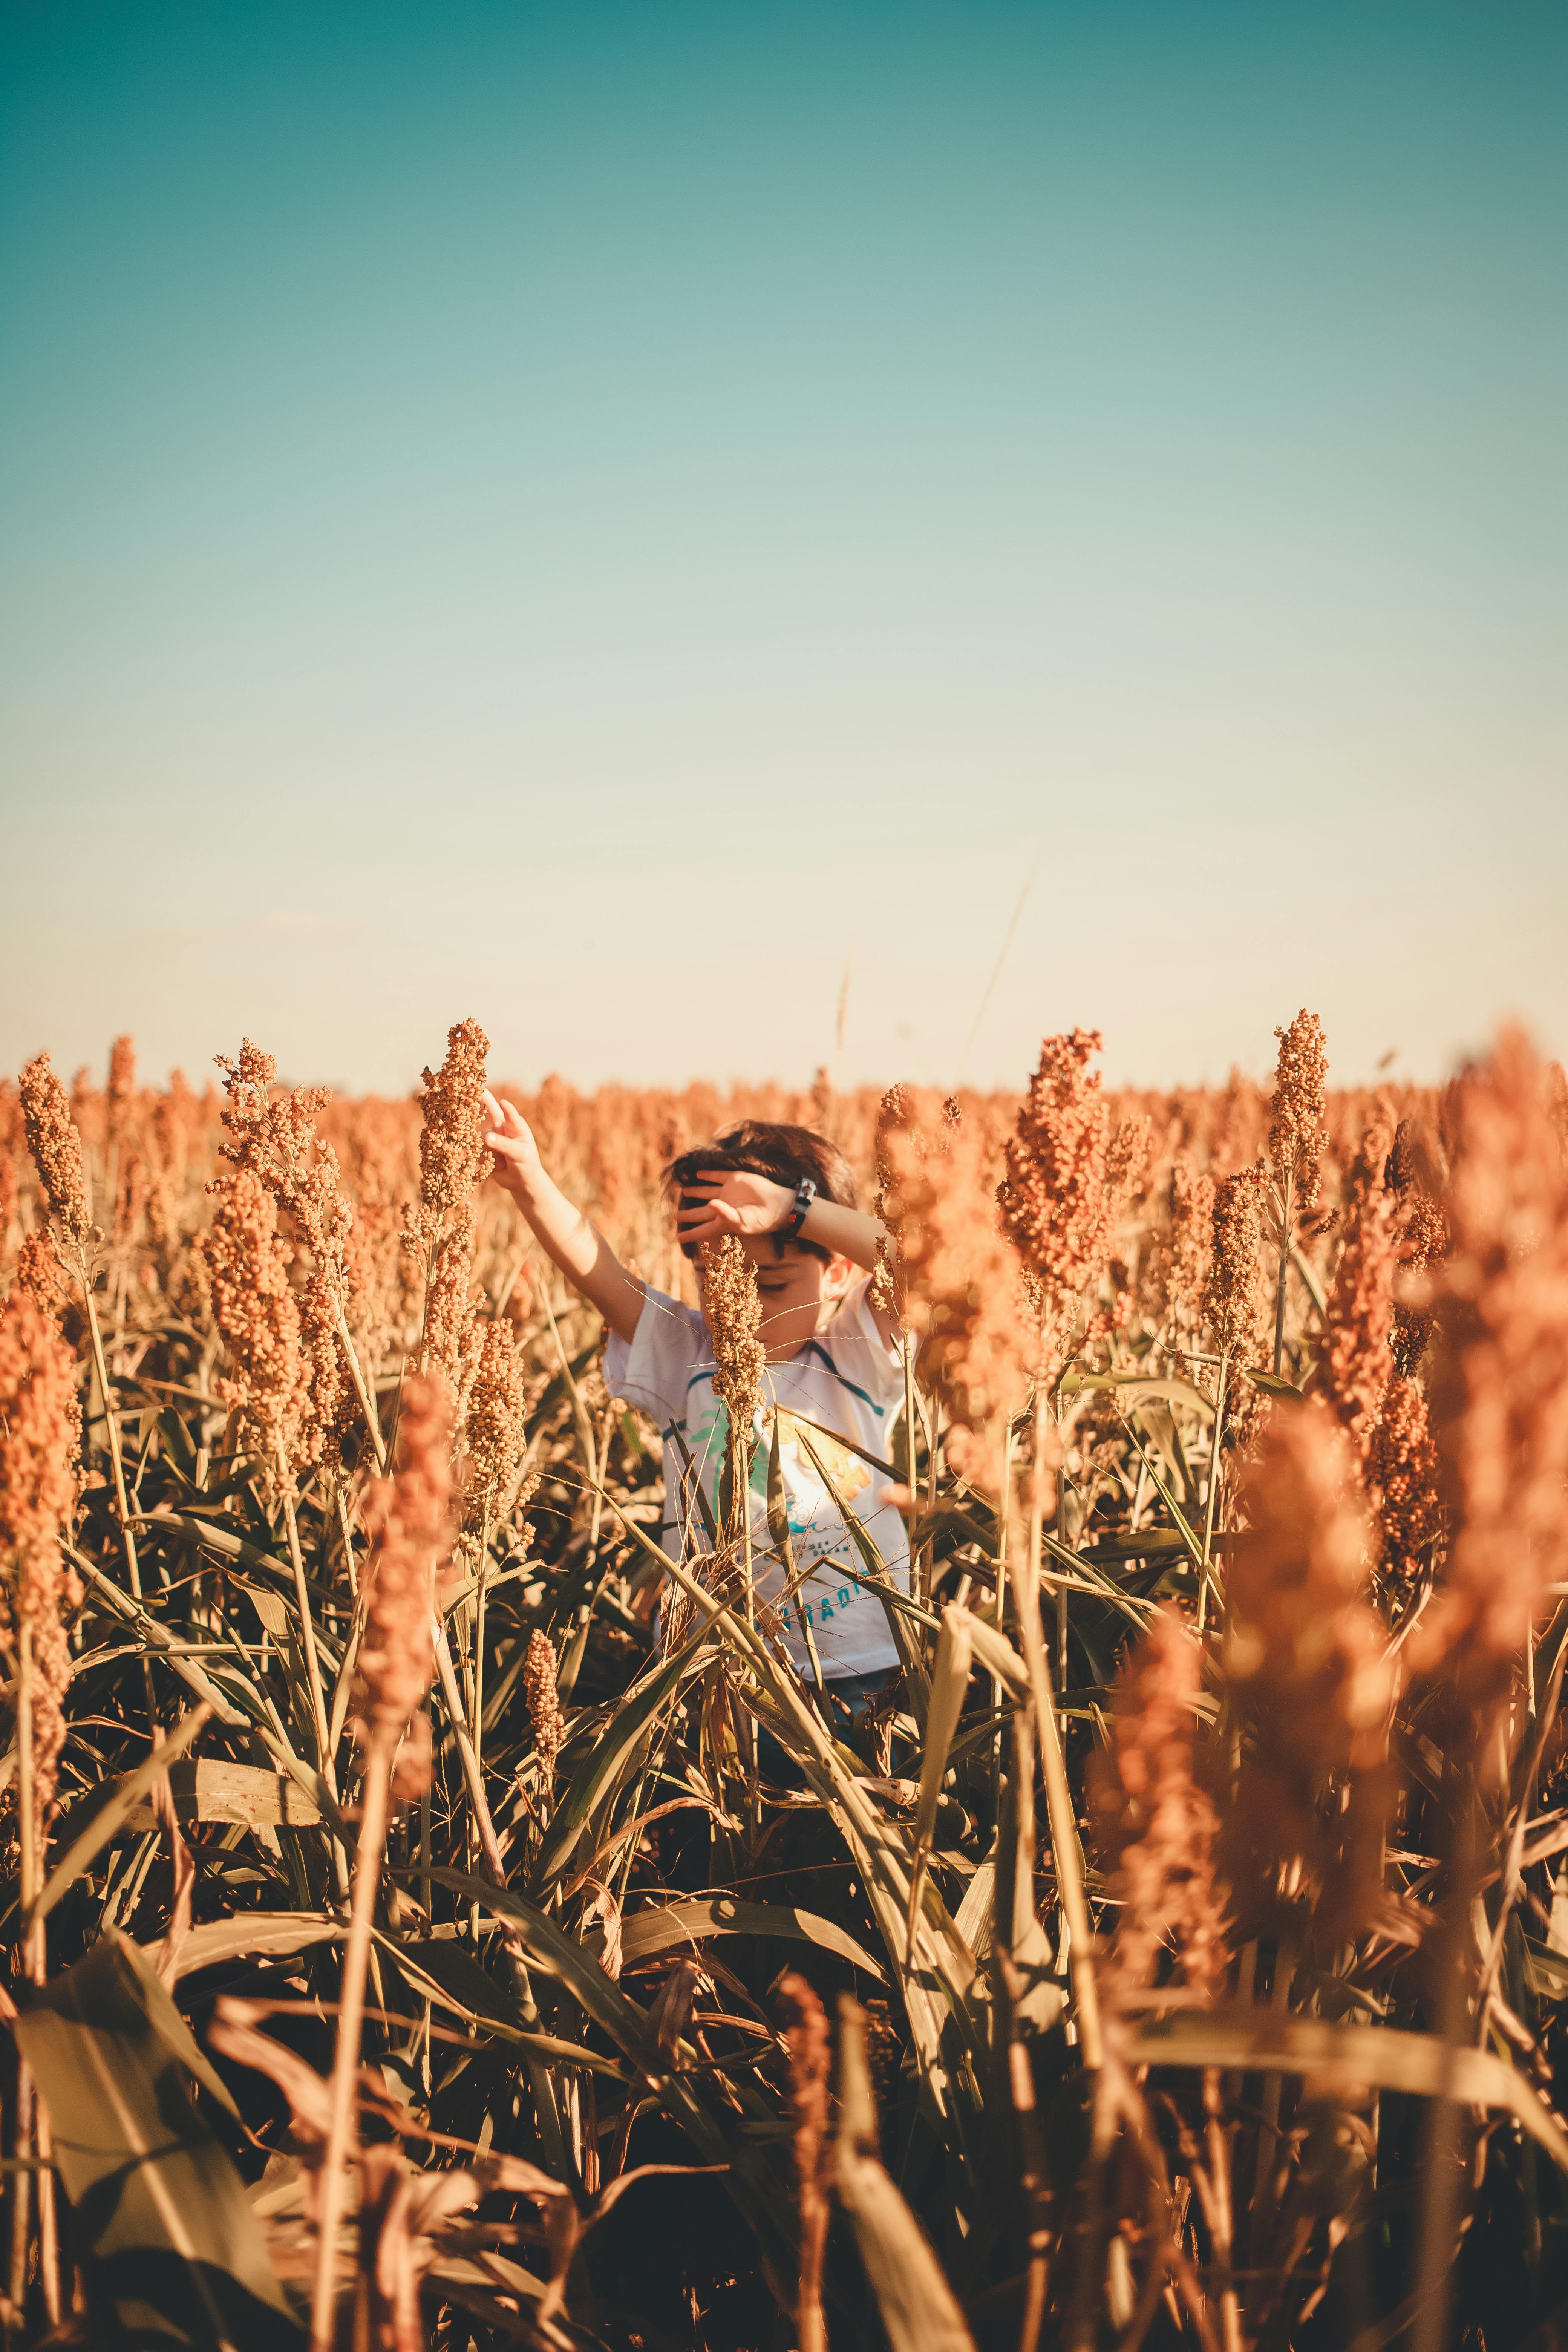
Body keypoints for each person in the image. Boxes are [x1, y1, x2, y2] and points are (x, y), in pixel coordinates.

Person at [482, 1095, 908, 1724]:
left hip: (859, 1669)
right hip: (716, 1670)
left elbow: (917, 1265)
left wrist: (797, 1209)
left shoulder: (859, 1355)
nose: (742, 1305)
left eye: (771, 1286)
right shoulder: (684, 1352)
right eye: (716, 1280)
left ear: (841, 1271)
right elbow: (598, 1269)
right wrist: (531, 1181)